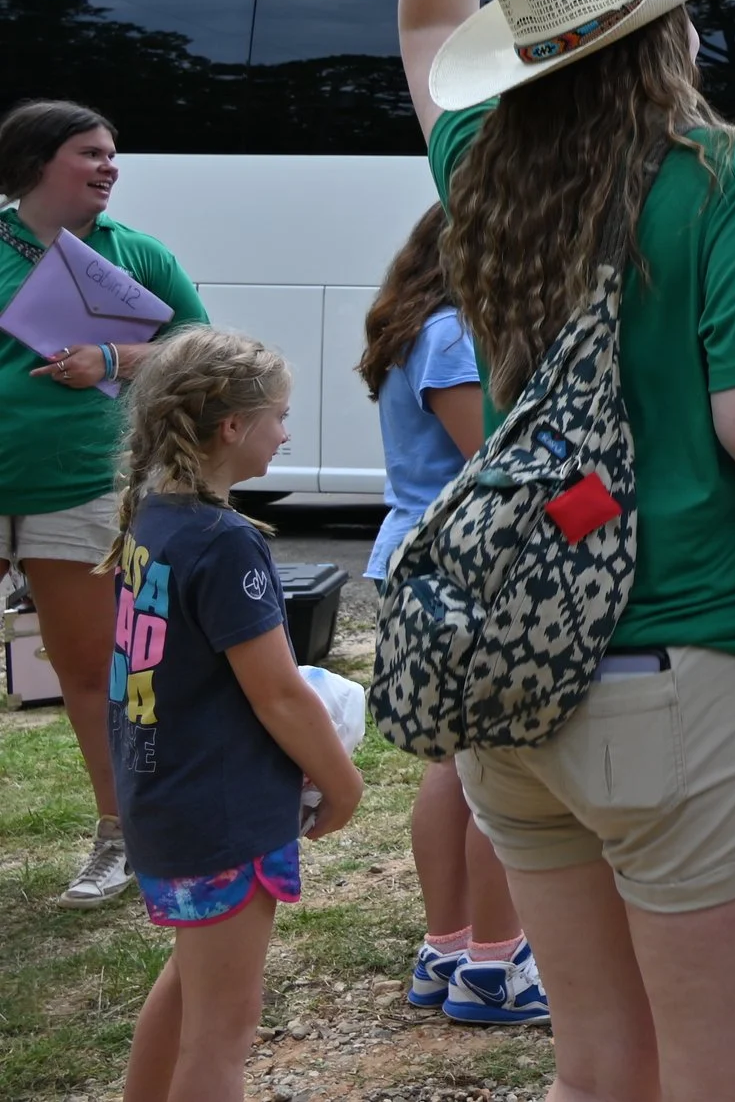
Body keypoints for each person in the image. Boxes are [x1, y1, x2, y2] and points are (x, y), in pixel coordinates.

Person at [399, 0, 735, 1102]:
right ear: (669, 31)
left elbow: (423, 29)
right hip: (688, 675)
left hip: (515, 675)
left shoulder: (479, 163)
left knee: (600, 1067)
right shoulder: (732, 175)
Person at [108, 328, 365, 1102]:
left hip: (165, 801)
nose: (285, 433)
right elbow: (278, 692)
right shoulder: (224, 543)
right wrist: (343, 784)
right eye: (278, 416)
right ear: (231, 426)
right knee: (223, 1032)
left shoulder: (154, 517)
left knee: (190, 986)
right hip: (222, 814)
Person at [0, 97, 209, 909]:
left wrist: (113, 357)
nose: (109, 166)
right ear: (36, 161)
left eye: (111, 153)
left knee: (91, 670)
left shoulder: (136, 253)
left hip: (80, 484)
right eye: (90, 152)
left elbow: (199, 346)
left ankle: (121, 836)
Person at [356, 204, 544, 1025]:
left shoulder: (420, 327)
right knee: (499, 767)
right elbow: (495, 461)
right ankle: (495, 964)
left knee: (457, 763)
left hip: (420, 559)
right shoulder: (454, 336)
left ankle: (450, 947)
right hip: (464, 568)